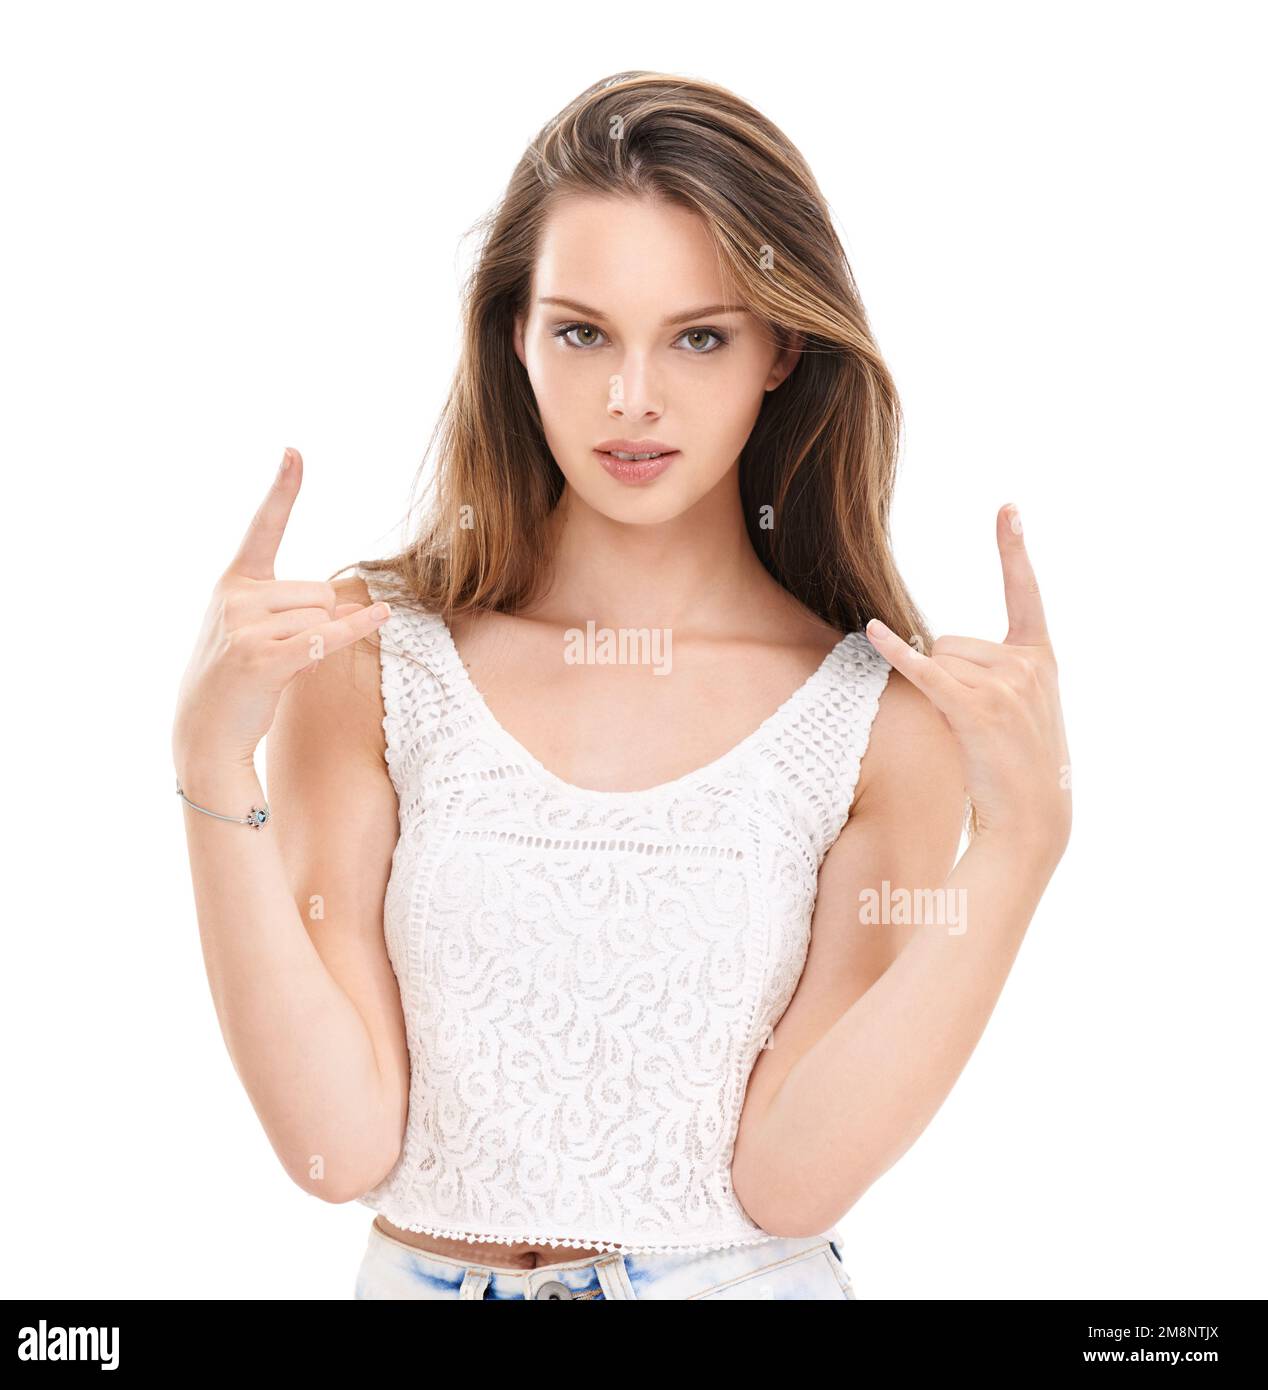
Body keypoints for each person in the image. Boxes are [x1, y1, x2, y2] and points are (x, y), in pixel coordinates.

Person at [171, 71, 1071, 1301]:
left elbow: (792, 1182)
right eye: (581, 331)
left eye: (698, 335)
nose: (631, 397)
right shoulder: (368, 660)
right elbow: (340, 1143)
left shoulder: (872, 717)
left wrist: (1021, 840)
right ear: (515, 338)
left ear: (779, 350)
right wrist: (210, 769)